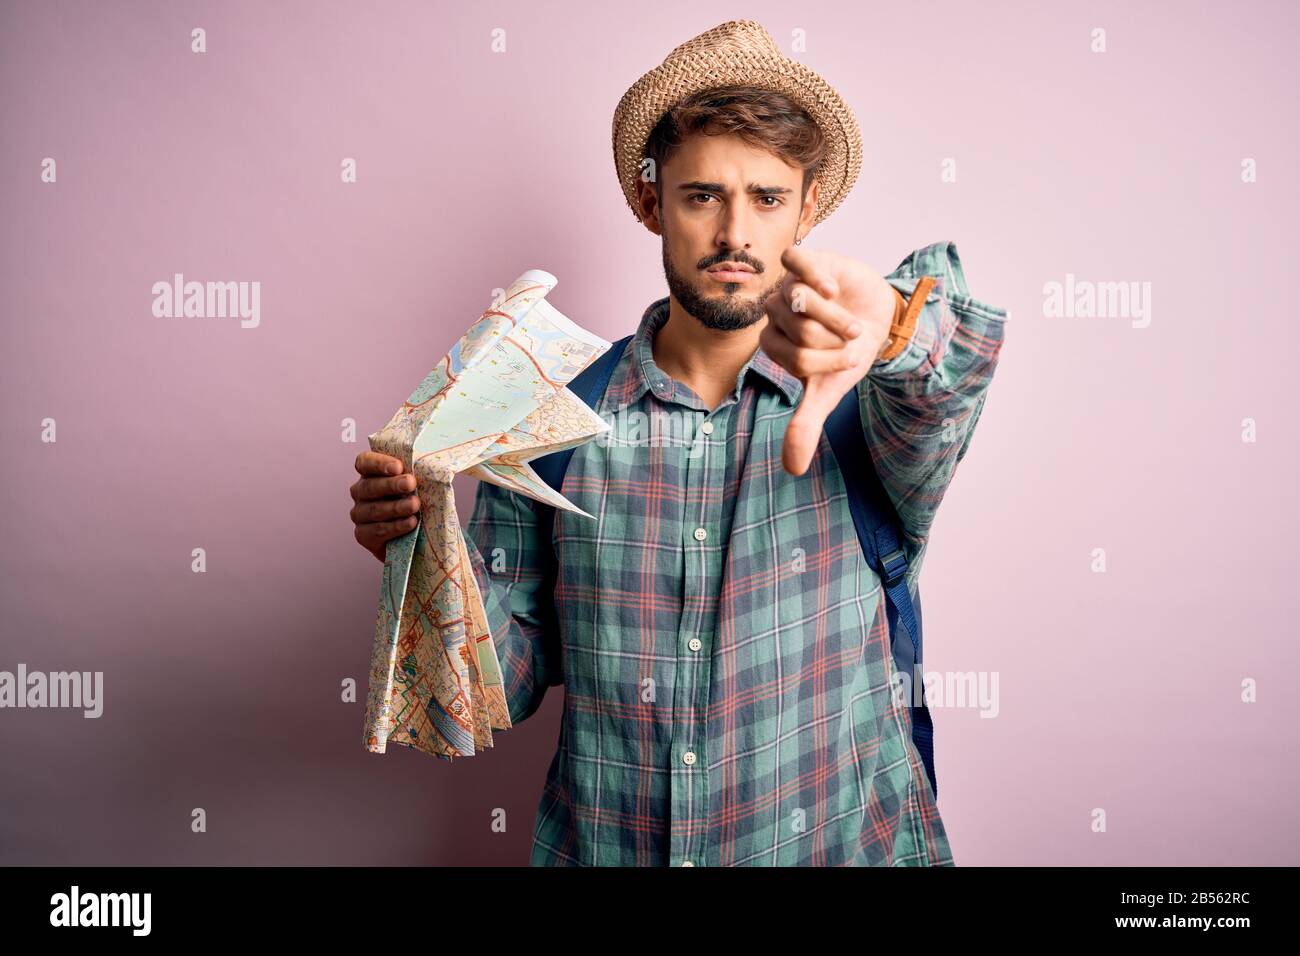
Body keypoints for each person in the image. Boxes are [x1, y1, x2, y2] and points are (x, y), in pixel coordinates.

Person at [348, 19, 1007, 866]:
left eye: (767, 199)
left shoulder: (863, 407)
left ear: (807, 208)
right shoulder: (548, 422)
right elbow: (490, 693)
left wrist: (893, 329)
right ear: (654, 201)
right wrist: (415, 551)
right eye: (703, 196)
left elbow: (945, 381)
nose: (736, 233)